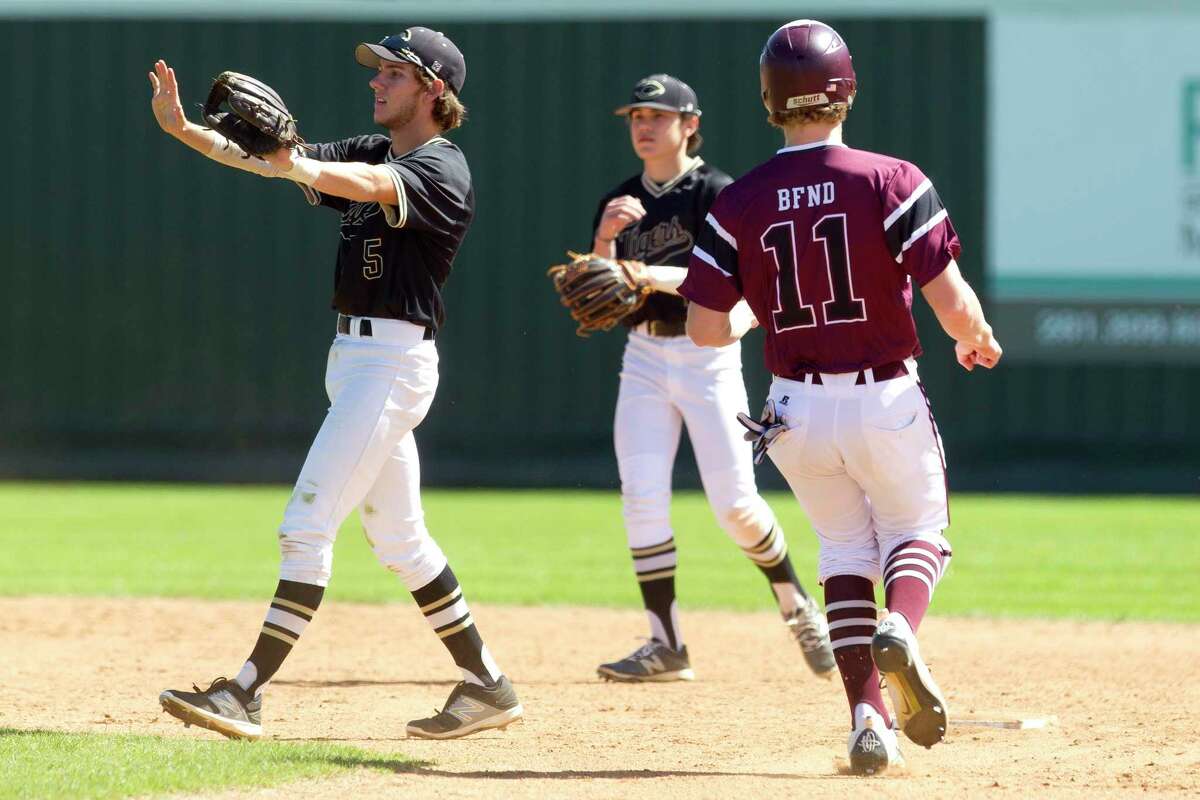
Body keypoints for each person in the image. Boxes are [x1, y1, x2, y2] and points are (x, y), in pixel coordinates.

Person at [147, 27, 522, 741]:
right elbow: (280, 167)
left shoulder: (442, 168)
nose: (376, 81)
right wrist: (186, 131)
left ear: (433, 90)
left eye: (393, 74)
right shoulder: (373, 148)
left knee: (306, 524)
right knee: (401, 540)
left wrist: (297, 161)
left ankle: (246, 691)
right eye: (377, 71)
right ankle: (486, 685)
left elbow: (359, 185)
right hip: (354, 363)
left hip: (391, 365)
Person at [678, 20, 1002, 775]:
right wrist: (975, 335)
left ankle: (869, 720)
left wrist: (763, 309)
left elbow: (703, 330)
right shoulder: (891, 178)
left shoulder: (738, 200)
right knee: (920, 532)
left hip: (792, 409)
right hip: (882, 393)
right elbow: (950, 303)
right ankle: (902, 626)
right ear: (845, 87)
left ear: (769, 100)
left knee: (845, 553)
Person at [589, 74, 836, 683]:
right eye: (636, 117)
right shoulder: (619, 201)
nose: (644, 127)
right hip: (643, 356)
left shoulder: (717, 192)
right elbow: (599, 290)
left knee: (735, 505)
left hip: (707, 358)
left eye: (658, 116)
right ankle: (665, 643)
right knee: (641, 497)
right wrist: (603, 241)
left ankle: (795, 602)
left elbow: (734, 290)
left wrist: (640, 269)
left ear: (689, 124)